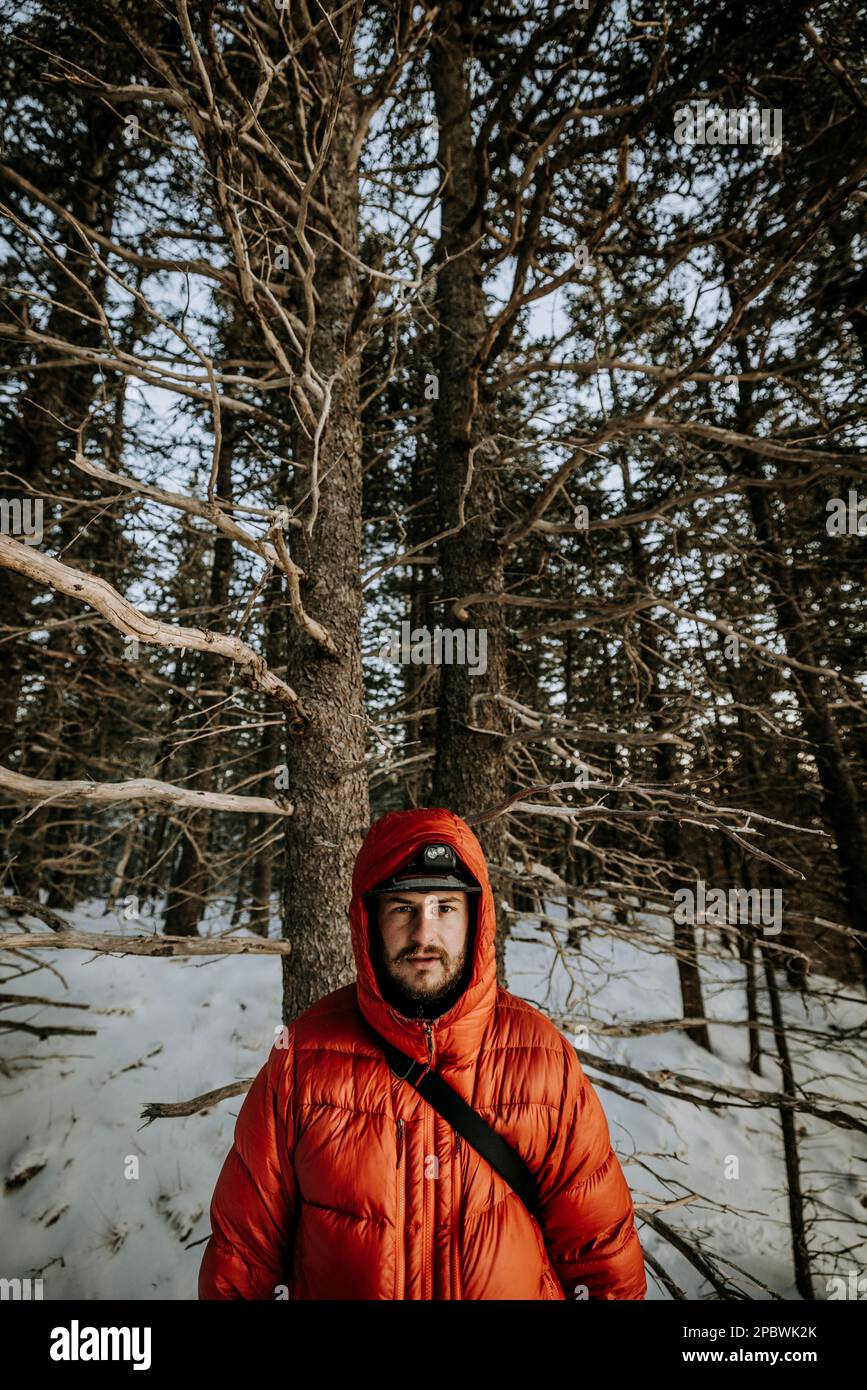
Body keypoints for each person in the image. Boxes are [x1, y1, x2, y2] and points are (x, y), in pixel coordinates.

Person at [198, 806, 646, 1300]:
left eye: (445, 908)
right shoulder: (302, 1059)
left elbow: (601, 1259)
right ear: (369, 921)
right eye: (403, 908)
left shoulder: (542, 1060)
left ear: (477, 919)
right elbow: (242, 1260)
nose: (423, 935)